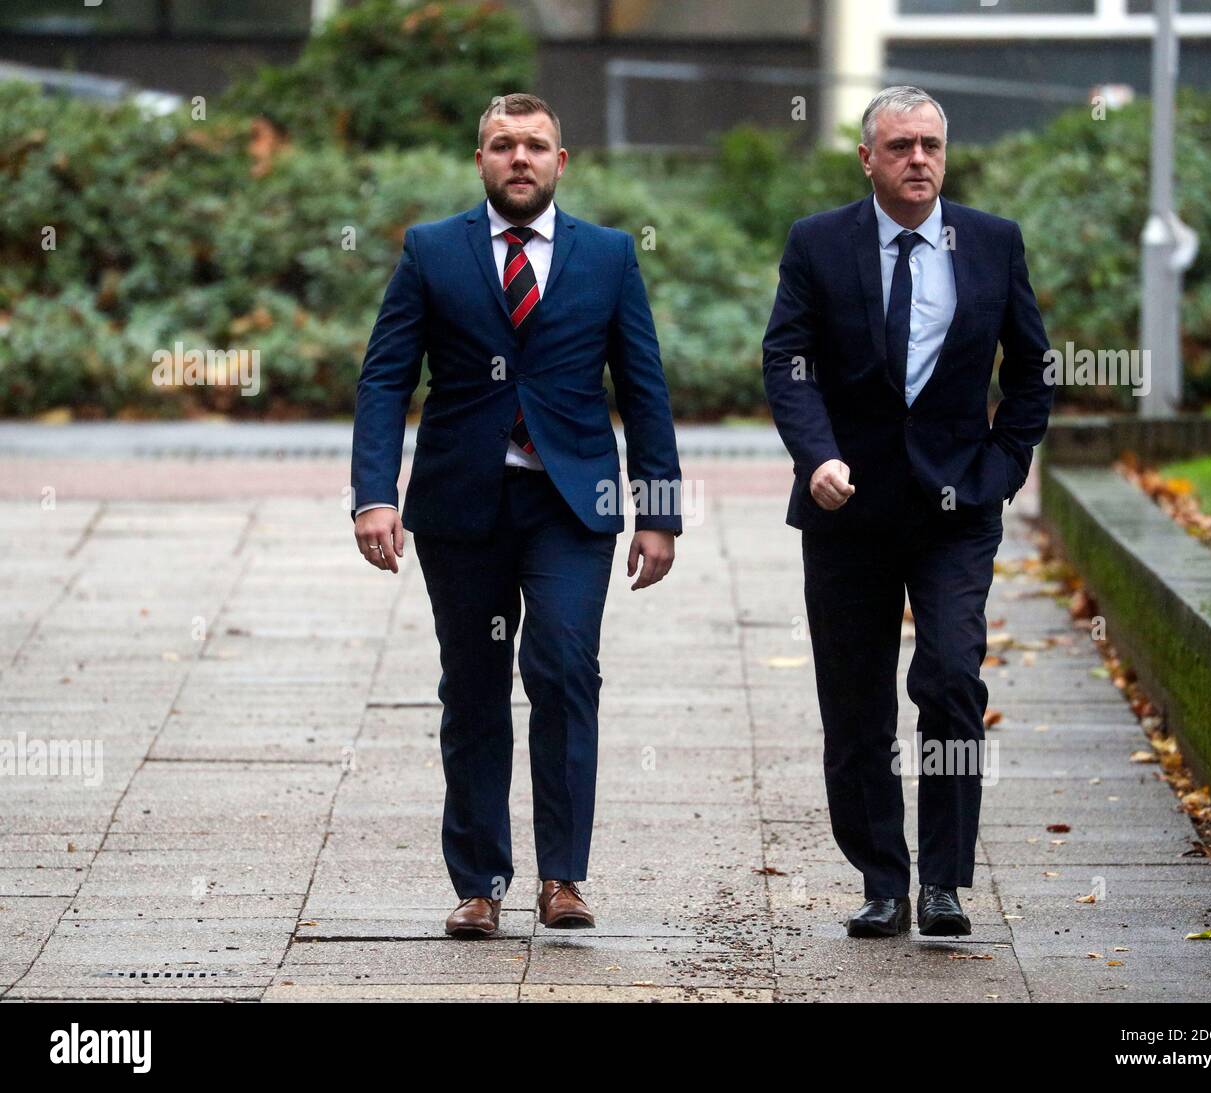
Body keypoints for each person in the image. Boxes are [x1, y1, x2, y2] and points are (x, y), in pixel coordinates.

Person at [350, 93, 682, 938]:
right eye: (503, 145)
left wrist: (660, 511)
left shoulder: (607, 256)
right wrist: (375, 494)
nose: (520, 158)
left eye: (536, 145)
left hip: (572, 505)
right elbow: (386, 376)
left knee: (565, 669)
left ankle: (563, 876)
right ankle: (478, 883)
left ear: (561, 162)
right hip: (463, 505)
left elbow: (643, 387)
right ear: (481, 161)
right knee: (472, 688)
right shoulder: (432, 251)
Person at [762, 86, 1055, 938]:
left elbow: (1032, 370)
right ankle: (884, 878)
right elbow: (789, 361)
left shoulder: (993, 242)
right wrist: (816, 456)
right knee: (854, 703)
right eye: (900, 146)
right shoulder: (820, 242)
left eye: (930, 144)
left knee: (953, 678)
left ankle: (946, 881)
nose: (918, 158)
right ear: (868, 158)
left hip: (956, 509)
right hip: (846, 507)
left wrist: (1001, 468)